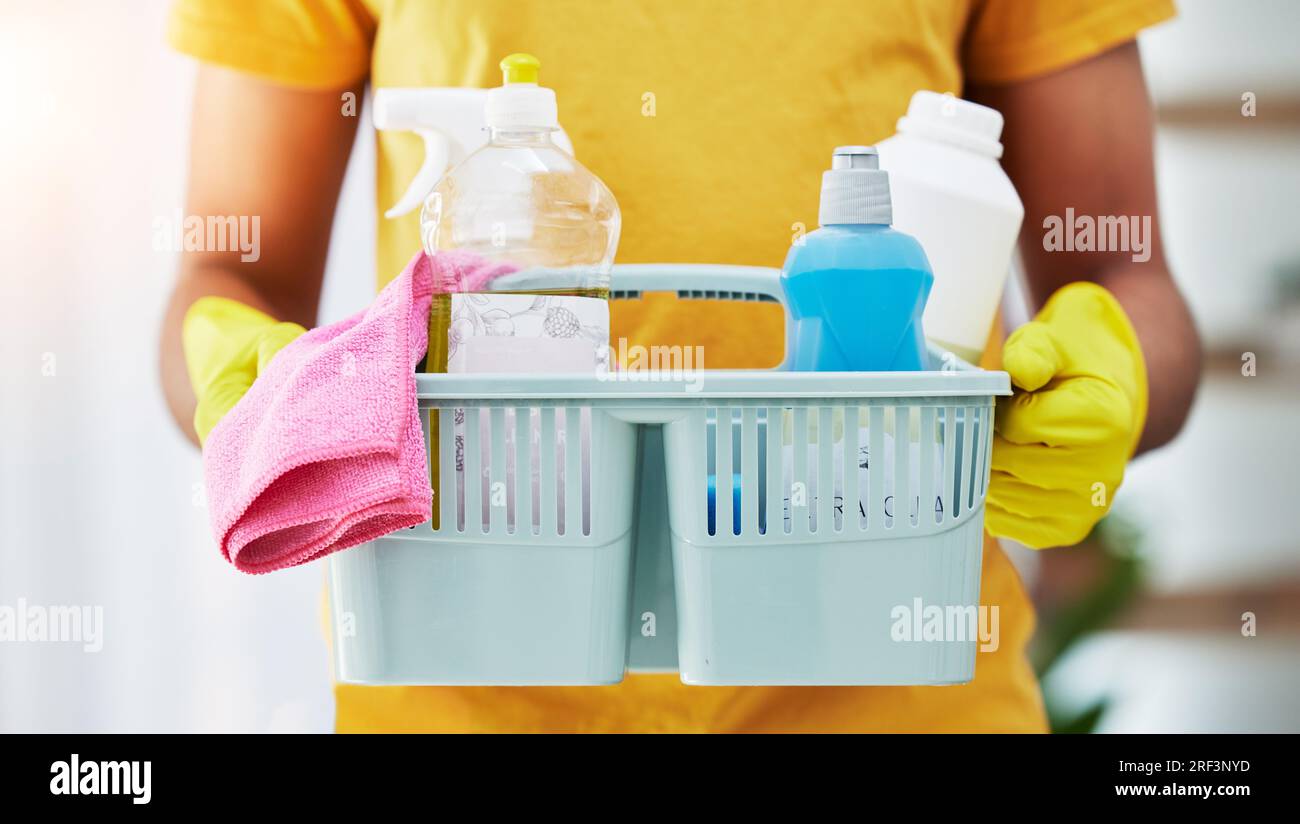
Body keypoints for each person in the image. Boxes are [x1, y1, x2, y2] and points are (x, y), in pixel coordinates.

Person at [161, 0, 1200, 733]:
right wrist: (244, 378)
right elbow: (228, 272)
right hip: (461, 686)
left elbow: (1126, 273)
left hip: (897, 685)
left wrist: (1115, 368)